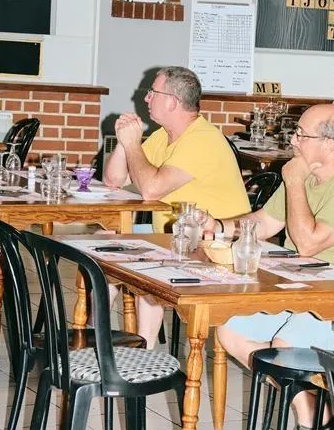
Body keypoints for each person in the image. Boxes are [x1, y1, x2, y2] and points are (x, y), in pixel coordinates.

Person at [214, 103, 334, 430]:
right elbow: (264, 224)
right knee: (230, 329)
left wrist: (295, 180)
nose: (293, 140)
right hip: (310, 291)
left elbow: (307, 242)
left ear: (329, 145)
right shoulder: (308, 173)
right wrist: (219, 226)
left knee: (285, 345)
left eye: (301, 134)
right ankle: (316, 415)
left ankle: (316, 416)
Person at [103, 66, 250, 347]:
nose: (146, 98)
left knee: (129, 260)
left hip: (218, 249)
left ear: (171, 101)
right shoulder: (164, 135)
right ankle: (104, 347)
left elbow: (151, 188)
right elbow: (113, 180)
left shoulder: (202, 139)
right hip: (177, 242)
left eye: (152, 93)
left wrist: (134, 144)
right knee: (105, 254)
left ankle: (136, 351)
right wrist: (124, 142)